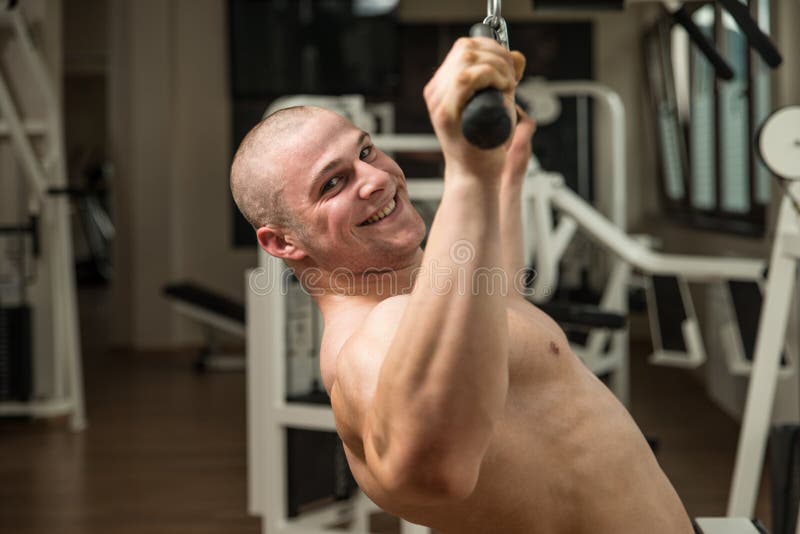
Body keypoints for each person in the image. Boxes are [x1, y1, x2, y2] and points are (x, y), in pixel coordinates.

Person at [230, 36, 694, 534]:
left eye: (366, 151)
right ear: (281, 243)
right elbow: (433, 469)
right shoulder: (377, 339)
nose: (376, 179)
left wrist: (505, 165)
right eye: (332, 184)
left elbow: (497, 298)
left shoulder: (419, 300)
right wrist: (466, 175)